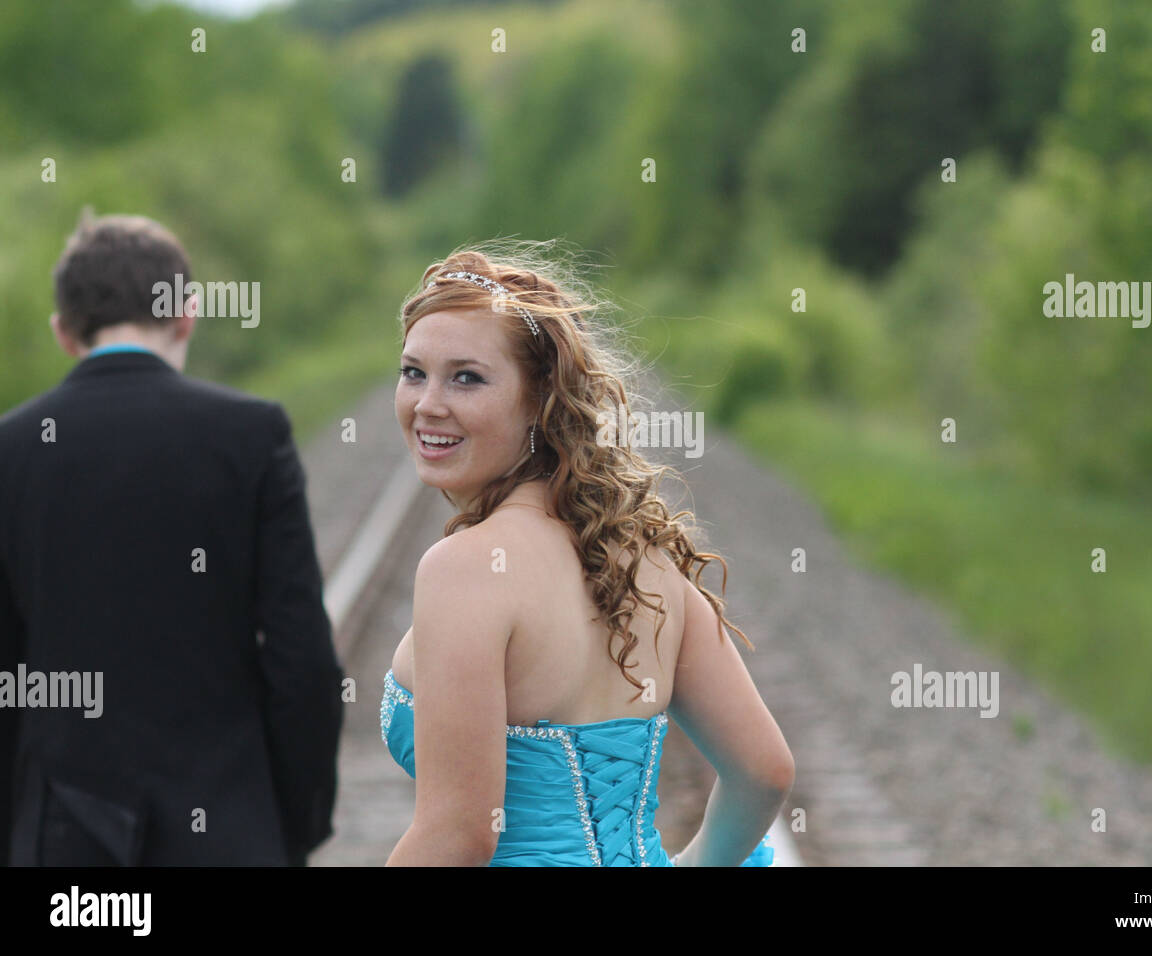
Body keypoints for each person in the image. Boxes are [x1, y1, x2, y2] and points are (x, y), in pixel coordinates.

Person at [380, 243, 793, 866]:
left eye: (466, 377)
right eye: (414, 372)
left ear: (539, 401)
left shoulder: (463, 569)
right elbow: (764, 772)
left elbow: (459, 834)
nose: (428, 403)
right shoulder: (643, 559)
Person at [0, 210, 343, 865]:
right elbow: (302, 659)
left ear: (64, 332)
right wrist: (293, 822)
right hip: (225, 830)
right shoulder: (252, 434)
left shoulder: (11, 450)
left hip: (65, 839)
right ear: (186, 315)